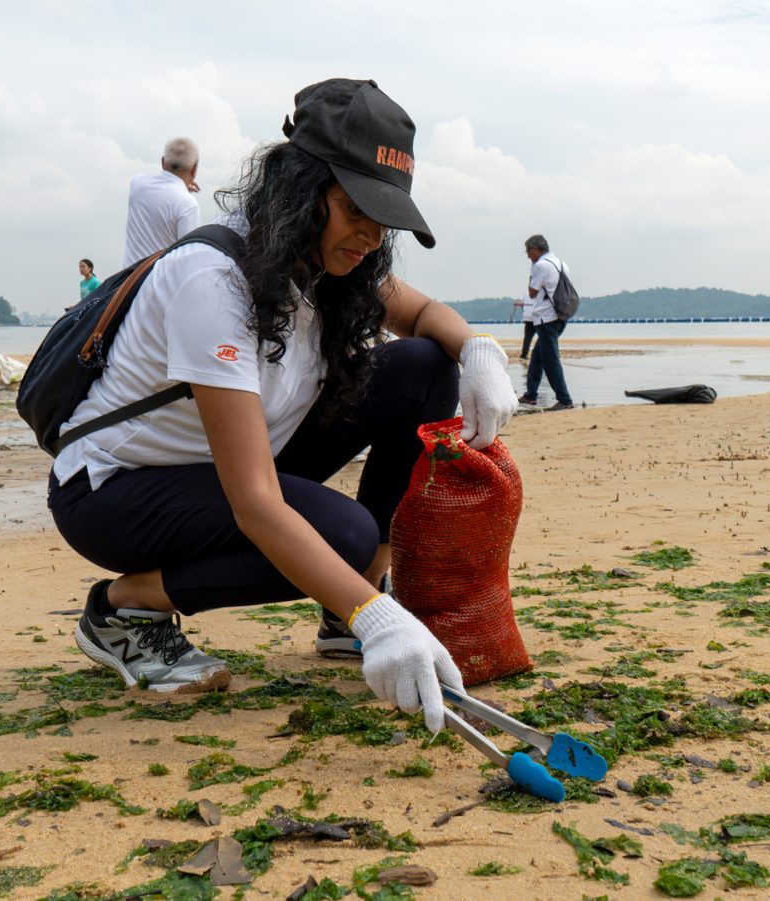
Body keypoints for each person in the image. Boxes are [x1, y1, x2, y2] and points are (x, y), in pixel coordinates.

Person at [46, 79, 516, 734]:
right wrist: (379, 618)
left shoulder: (332, 261)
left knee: (424, 364)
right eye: (356, 210)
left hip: (229, 459)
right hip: (116, 490)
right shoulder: (214, 280)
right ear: (303, 189)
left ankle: (344, 608)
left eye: (384, 220)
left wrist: (479, 351)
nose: (370, 236)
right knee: (343, 534)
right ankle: (124, 609)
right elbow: (256, 504)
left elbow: (424, 315)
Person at [122, 137, 202, 268]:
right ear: (194, 169)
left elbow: (162, 191)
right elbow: (189, 258)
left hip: (127, 282)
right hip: (159, 285)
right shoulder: (187, 204)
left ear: (163, 162)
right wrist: (184, 190)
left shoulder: (137, 184)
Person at [517, 234, 574, 411]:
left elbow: (532, 292)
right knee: (537, 357)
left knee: (550, 360)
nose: (528, 256)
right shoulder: (560, 263)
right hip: (560, 315)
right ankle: (531, 395)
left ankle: (565, 400)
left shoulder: (540, 265)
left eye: (528, 252)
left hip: (546, 318)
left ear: (535, 249)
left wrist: (532, 272)